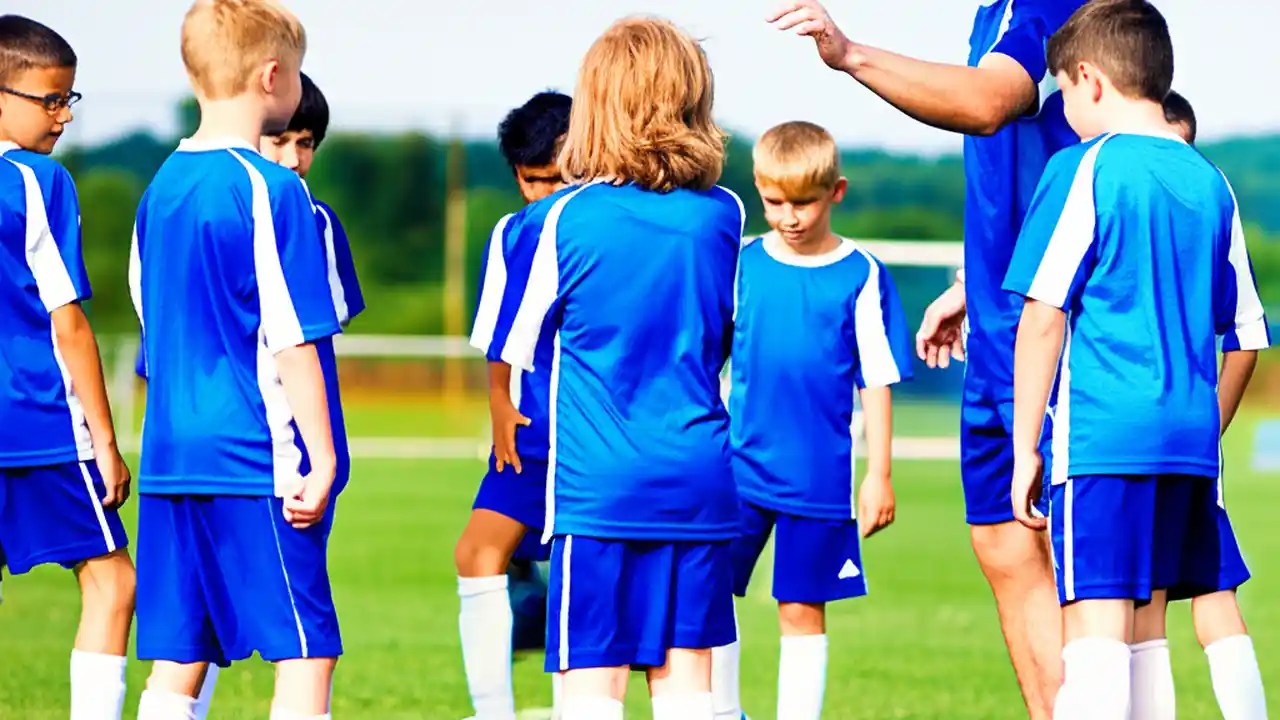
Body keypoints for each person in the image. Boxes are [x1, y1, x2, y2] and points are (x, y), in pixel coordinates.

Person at [767, 2, 1086, 714]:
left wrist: (851, 54)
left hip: (1056, 334)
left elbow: (986, 104)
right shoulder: (991, 12)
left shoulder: (1051, 6)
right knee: (1004, 545)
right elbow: (1023, 168)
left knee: (1081, 570)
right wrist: (974, 282)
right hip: (999, 326)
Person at [1002, 2, 1271, 717]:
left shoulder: (1083, 168)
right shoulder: (1210, 181)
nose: (1064, 112)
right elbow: (1246, 332)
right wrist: (1201, 427)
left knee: (1095, 629)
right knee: (1148, 625)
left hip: (1101, 438)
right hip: (1187, 444)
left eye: (1061, 92)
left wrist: (1026, 447)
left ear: (1089, 79)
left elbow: (1042, 314)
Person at [482, 16, 743, 720]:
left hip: (598, 492)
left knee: (591, 689)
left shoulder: (560, 219)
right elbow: (721, 333)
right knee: (689, 687)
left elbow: (512, 345)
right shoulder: (723, 212)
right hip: (699, 475)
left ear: (596, 104)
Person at [130, 1, 344, 718]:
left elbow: (149, 323)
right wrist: (323, 455)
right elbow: (293, 338)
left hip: (168, 452)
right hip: (252, 454)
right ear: (274, 76)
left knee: (181, 651)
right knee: (308, 650)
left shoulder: (158, 189)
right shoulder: (273, 188)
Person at [713, 121, 912, 720]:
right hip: (735, 470)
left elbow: (875, 378)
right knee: (708, 594)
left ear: (836, 192)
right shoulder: (740, 263)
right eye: (775, 202)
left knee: (801, 610)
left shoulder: (862, 274)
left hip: (818, 479)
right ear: (757, 190)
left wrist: (878, 474)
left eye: (804, 202)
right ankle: (719, 712)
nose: (790, 216)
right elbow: (704, 356)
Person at [0, 15, 135, 720]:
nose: (63, 116)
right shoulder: (34, 180)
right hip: (34, 421)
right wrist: (107, 444)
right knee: (111, 582)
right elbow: (68, 322)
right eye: (48, 100)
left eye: (68, 99)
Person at [1125, 90, 1269, 720]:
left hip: (1140, 438)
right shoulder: (1191, 198)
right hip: (1172, 436)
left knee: (1192, 598)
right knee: (1178, 597)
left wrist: (1212, 425)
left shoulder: (1197, 206)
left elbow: (1246, 335)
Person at [460, 89, 571, 720]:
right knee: (477, 552)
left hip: (592, 435)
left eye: (557, 180)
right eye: (532, 183)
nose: (544, 195)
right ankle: (492, 710)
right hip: (530, 435)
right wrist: (501, 401)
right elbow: (499, 335)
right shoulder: (511, 234)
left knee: (593, 583)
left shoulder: (597, 224)